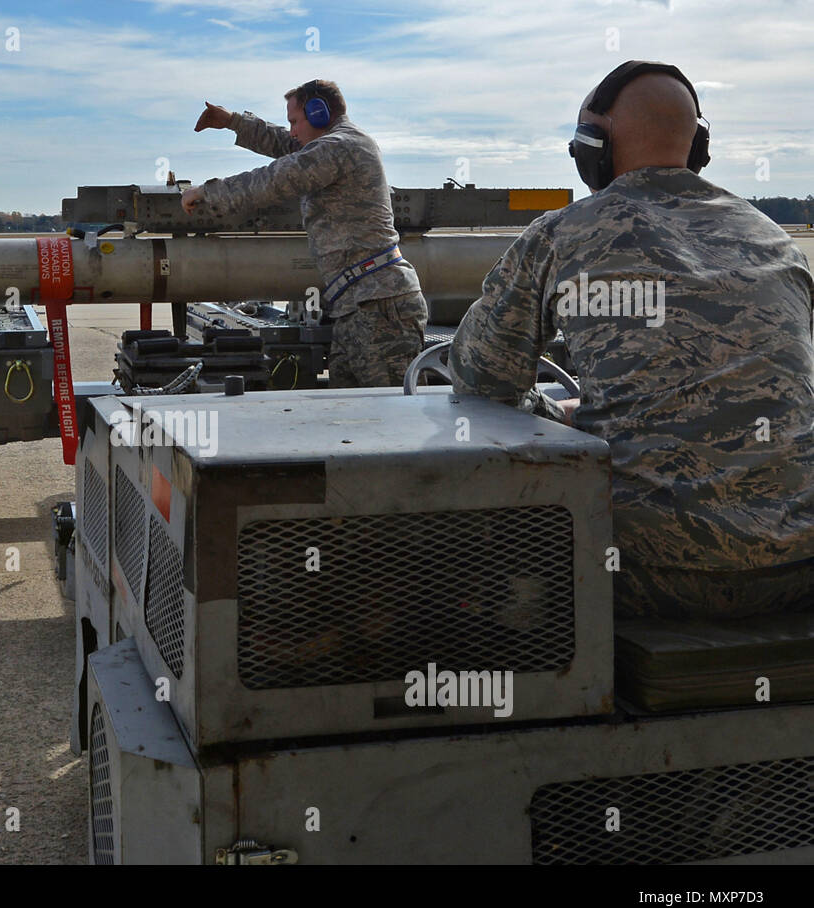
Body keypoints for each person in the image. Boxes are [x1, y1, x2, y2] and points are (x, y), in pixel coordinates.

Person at [449, 60, 814, 619]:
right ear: (698, 146)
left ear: (594, 148)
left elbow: (481, 382)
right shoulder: (776, 240)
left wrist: (559, 415)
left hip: (641, 572)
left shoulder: (563, 233)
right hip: (797, 567)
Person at [182, 80, 428, 387]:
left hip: (379, 308)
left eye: (295, 121)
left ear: (320, 114)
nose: (293, 131)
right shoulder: (333, 144)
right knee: (351, 420)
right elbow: (287, 144)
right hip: (358, 306)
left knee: (390, 422)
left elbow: (276, 179)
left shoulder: (341, 147)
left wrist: (207, 192)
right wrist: (232, 121)